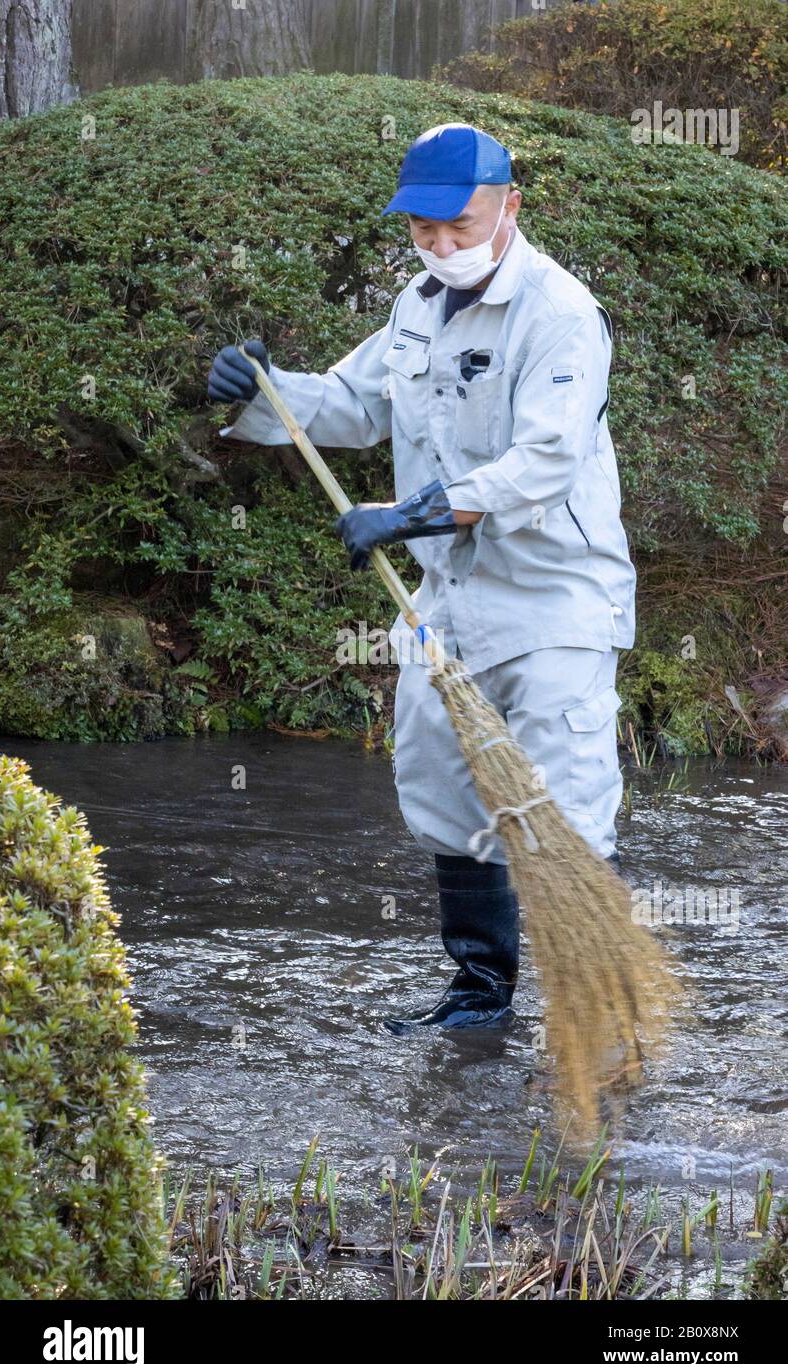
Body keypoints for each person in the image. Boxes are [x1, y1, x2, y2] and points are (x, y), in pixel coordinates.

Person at [208, 123, 636, 1034]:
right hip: (445, 604)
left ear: (508, 207)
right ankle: (478, 1000)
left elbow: (545, 463)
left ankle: (595, 1013)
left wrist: (411, 515)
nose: (440, 245)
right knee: (444, 794)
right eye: (422, 231)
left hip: (556, 599)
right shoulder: (415, 308)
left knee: (561, 805)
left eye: (458, 225)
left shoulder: (560, 313)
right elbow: (356, 406)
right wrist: (261, 389)